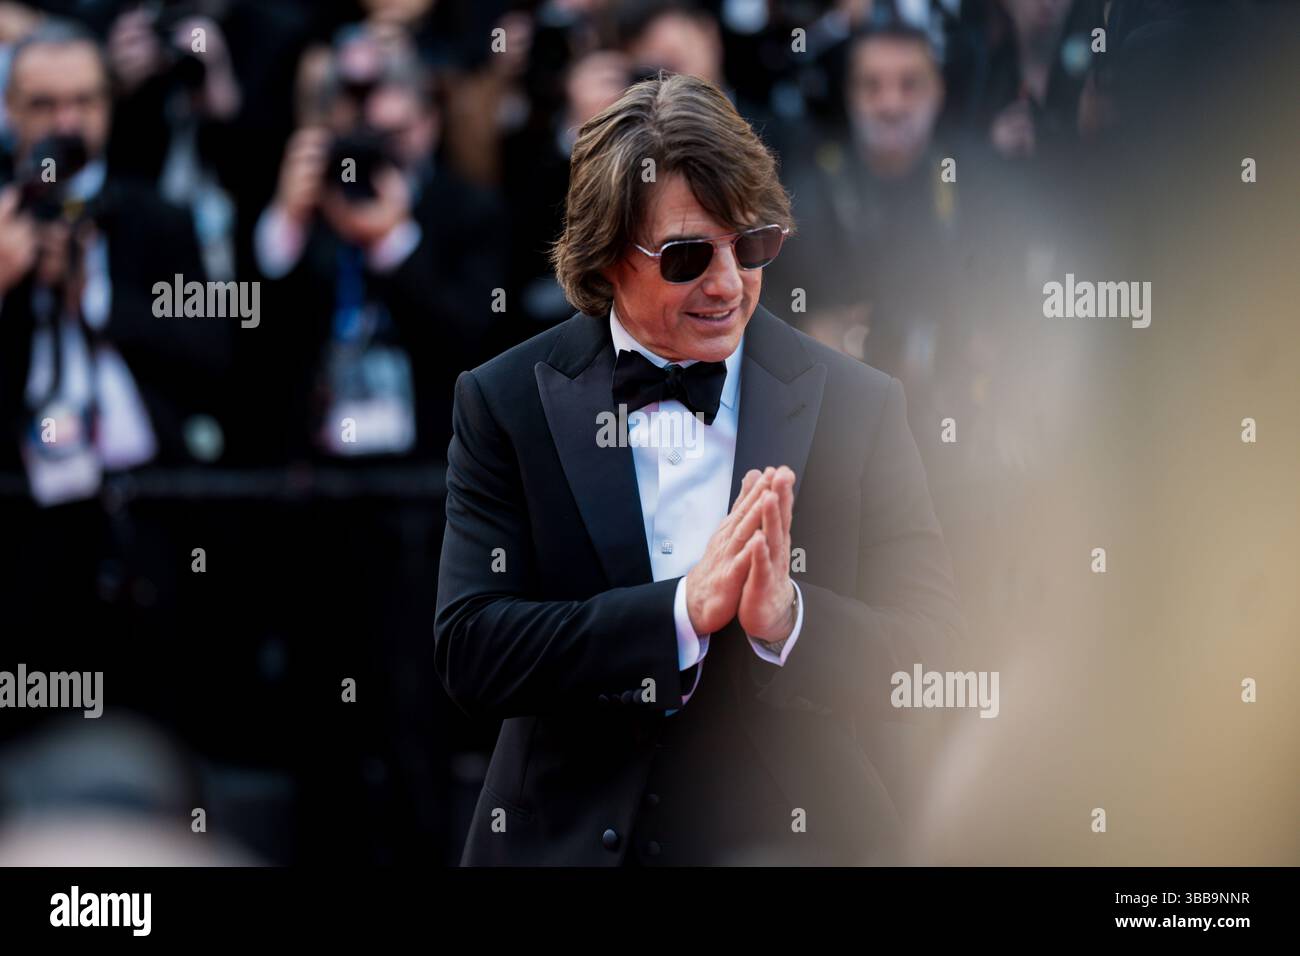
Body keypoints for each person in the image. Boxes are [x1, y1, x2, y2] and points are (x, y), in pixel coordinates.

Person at [435, 72, 963, 866]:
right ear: (608, 255)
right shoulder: (505, 401)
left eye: (752, 245)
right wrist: (677, 612)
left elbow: (936, 656)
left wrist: (789, 621)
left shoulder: (860, 403)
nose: (728, 282)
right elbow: (472, 650)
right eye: (687, 257)